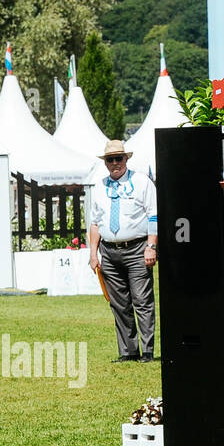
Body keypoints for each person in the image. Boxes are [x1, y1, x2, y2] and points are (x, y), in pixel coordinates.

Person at [87, 141, 158, 363]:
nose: (115, 163)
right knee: (118, 303)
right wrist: (93, 253)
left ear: (127, 159)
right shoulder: (99, 186)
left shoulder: (141, 182)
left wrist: (151, 246)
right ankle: (128, 351)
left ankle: (147, 351)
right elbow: (95, 223)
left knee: (142, 300)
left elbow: (153, 216)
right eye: (110, 159)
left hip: (137, 248)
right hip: (109, 251)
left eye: (119, 158)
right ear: (105, 162)